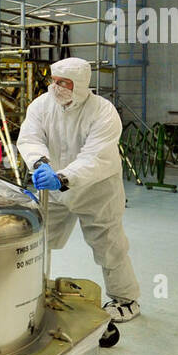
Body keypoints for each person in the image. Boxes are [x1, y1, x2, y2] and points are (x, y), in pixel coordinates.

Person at [17, 56, 141, 322]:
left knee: (109, 245)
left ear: (81, 85)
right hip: (55, 188)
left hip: (97, 190)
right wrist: (40, 163)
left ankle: (126, 299)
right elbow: (30, 137)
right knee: (40, 239)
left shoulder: (103, 111)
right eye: (54, 80)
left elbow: (96, 157)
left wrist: (63, 178)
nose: (56, 87)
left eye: (65, 82)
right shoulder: (42, 105)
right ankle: (35, 290)